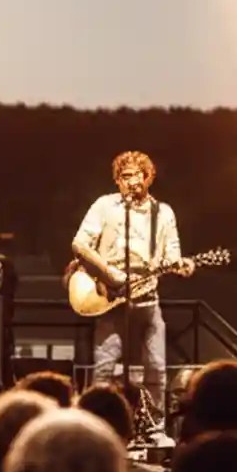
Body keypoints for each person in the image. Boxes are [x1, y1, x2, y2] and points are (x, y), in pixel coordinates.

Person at [71, 151, 195, 438]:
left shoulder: (163, 213)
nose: (133, 181)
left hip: (148, 297)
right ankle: (95, 427)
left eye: (139, 175)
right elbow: (79, 244)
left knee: (156, 367)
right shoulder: (104, 206)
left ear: (149, 177)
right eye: (126, 176)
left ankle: (155, 428)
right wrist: (110, 275)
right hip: (110, 296)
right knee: (104, 366)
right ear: (117, 180)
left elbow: (172, 251)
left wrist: (182, 264)